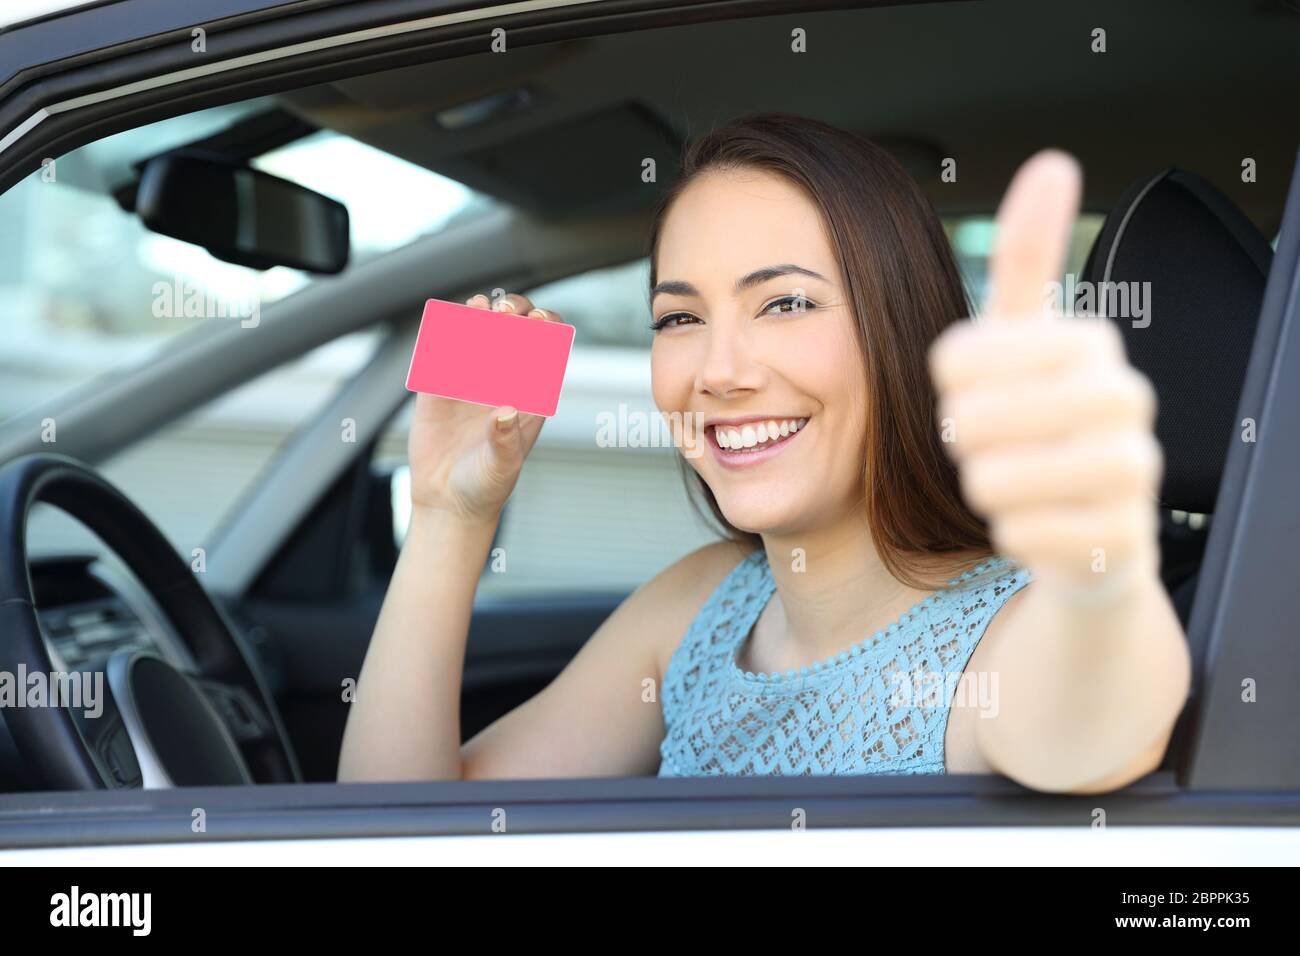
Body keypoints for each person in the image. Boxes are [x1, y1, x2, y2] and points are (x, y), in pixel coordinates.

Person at [338, 113, 1190, 793]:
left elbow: (1097, 728)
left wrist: (1099, 573)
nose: (719, 372)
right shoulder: (698, 605)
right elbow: (406, 829)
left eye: (785, 304)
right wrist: (454, 512)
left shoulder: (1003, 638)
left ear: (903, 335)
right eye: (680, 318)